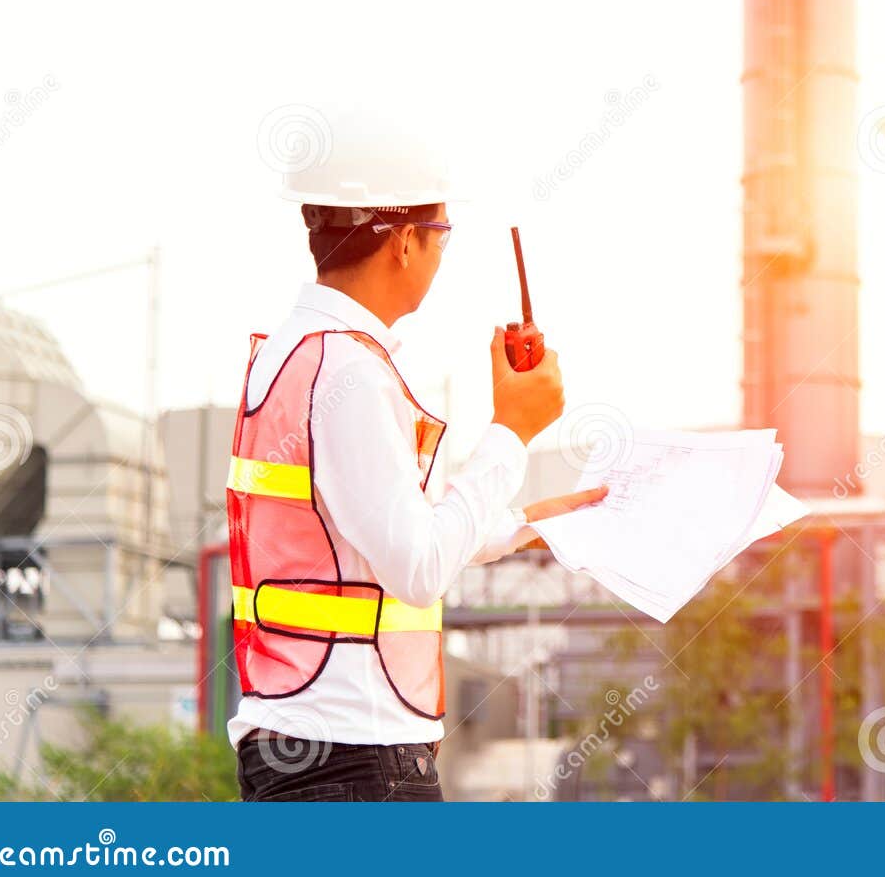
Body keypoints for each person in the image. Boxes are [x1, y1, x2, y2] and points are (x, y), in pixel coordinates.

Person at [226, 114, 604, 801]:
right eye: (441, 236)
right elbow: (417, 568)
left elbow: (386, 539)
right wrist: (513, 430)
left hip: (313, 750)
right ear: (402, 242)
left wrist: (528, 524)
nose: (440, 254)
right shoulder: (348, 373)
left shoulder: (293, 354)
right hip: (356, 761)